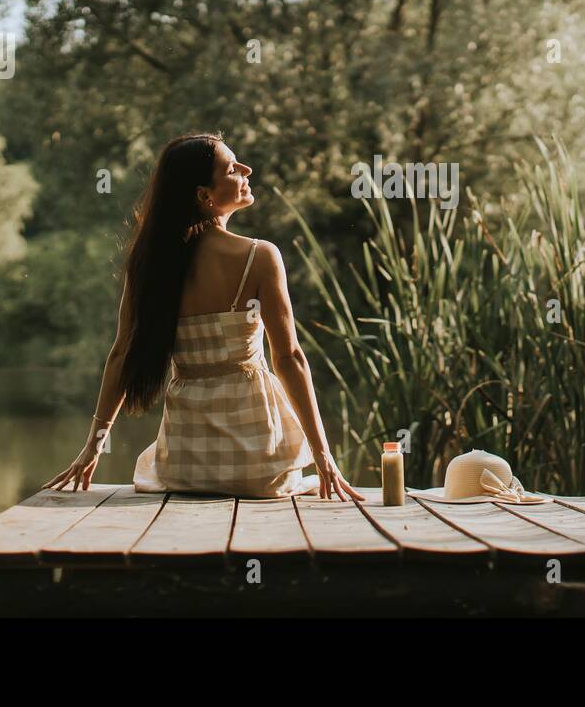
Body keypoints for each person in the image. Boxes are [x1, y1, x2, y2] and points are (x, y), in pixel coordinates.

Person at [43, 133, 363, 501]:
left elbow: (120, 355)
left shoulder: (150, 266)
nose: (247, 170)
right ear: (204, 196)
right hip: (259, 465)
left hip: (186, 466)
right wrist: (324, 459)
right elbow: (289, 359)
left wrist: (94, 446)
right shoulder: (259, 256)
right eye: (231, 168)